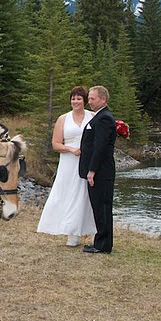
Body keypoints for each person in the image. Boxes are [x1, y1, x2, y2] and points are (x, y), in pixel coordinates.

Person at [37, 86, 97, 246]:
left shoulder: (92, 116)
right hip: (68, 161)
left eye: (78, 98)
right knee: (67, 193)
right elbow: (56, 144)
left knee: (84, 194)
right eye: (73, 98)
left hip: (87, 160)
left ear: (84, 100)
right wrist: (71, 150)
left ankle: (85, 230)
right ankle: (70, 231)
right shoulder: (63, 118)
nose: (75, 101)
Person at [79, 85, 117, 254]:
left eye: (93, 99)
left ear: (103, 99)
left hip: (102, 172)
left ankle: (102, 244)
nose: (90, 102)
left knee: (102, 206)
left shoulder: (104, 118)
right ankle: (102, 242)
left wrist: (92, 170)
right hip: (100, 171)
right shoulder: (100, 116)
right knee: (99, 206)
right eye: (90, 98)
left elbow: (100, 146)